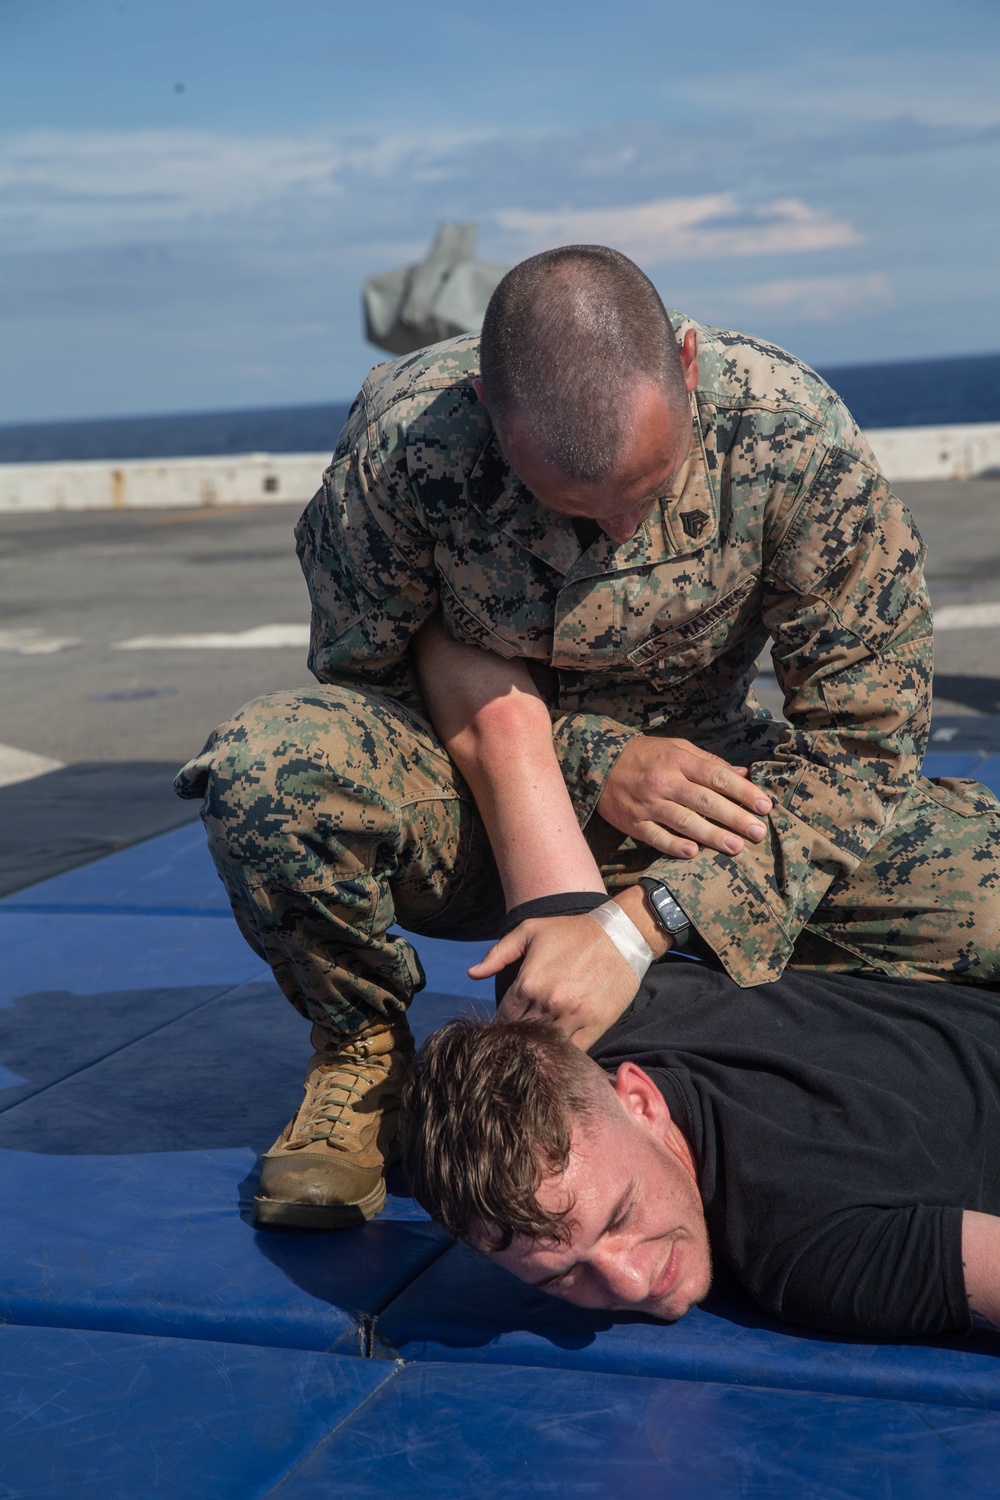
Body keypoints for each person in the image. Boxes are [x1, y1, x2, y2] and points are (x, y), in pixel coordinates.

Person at [174, 244, 1000, 1229]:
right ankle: (361, 1058)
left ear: (686, 365)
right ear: (485, 405)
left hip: (716, 804)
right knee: (275, 773)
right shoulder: (404, 454)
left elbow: (862, 748)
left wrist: (639, 925)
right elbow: (373, 682)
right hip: (481, 804)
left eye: (647, 488)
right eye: (575, 502)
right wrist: (591, 763)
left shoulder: (792, 443)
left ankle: (712, 993)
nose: (616, 528)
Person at [400, 972, 1000, 1340]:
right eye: (562, 1276)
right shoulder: (608, 996)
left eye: (619, 1216)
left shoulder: (805, 1252)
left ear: (639, 1099)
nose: (632, 1283)